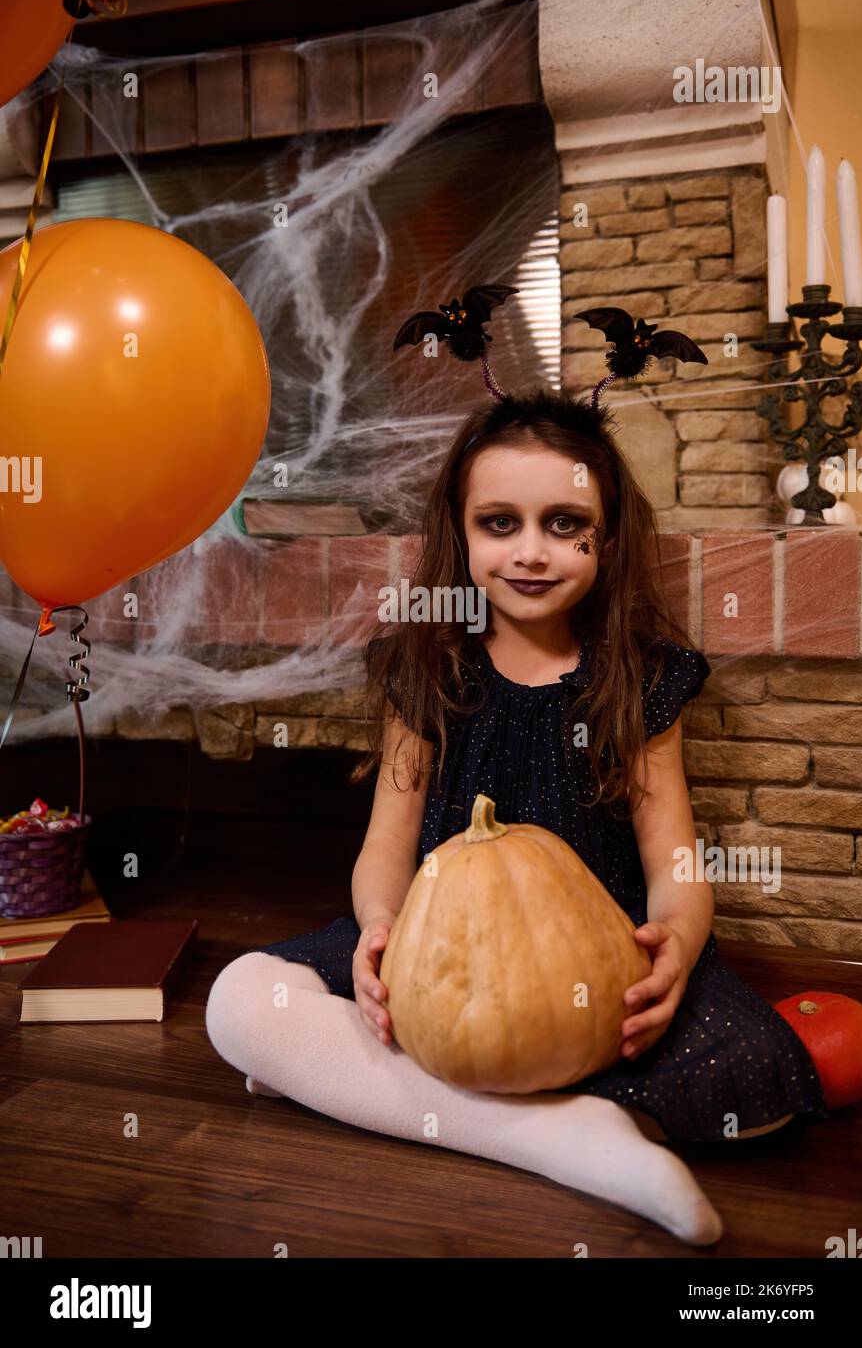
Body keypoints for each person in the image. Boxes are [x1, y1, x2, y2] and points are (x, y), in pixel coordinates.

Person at [205, 384, 828, 1247]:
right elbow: (386, 845)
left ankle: (384, 1088)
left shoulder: (639, 680)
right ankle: (563, 1135)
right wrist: (378, 931)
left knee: (755, 1083)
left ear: (606, 542)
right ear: (460, 533)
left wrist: (677, 947)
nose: (532, 552)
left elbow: (675, 866)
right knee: (241, 1002)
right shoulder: (425, 669)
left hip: (594, 978)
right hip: (445, 961)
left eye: (565, 525)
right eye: (501, 523)